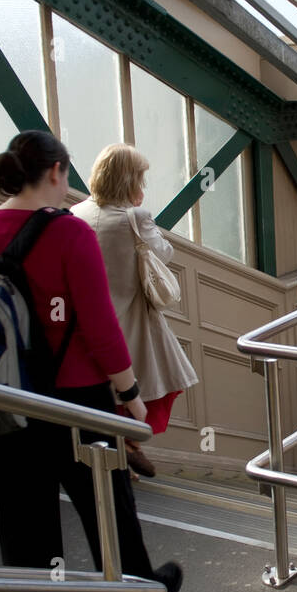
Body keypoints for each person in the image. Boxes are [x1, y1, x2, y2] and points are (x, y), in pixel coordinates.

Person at [0, 131, 181, 592]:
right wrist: (130, 396)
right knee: (106, 504)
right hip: (74, 398)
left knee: (23, 522)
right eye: (64, 173)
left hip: (3, 401)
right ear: (54, 172)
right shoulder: (67, 233)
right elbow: (99, 326)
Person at [72, 144, 199, 479]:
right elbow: (165, 254)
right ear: (129, 181)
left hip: (87, 321)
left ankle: (117, 448)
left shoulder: (75, 213)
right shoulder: (135, 218)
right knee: (158, 383)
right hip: (133, 318)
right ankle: (127, 444)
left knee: (106, 390)